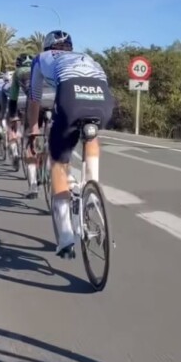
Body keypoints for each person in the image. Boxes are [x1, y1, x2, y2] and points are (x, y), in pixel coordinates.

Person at [26, 30, 114, 254]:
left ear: (47, 47)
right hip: (103, 99)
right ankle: (92, 188)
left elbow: (35, 99)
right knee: (91, 133)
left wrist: (34, 129)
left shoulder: (41, 59)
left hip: (71, 97)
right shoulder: (87, 57)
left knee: (58, 163)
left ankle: (65, 236)